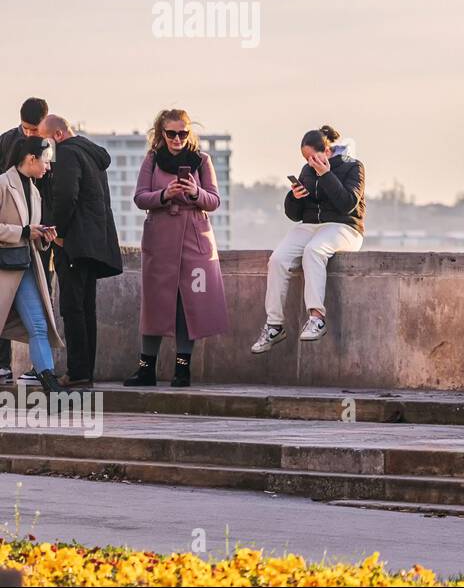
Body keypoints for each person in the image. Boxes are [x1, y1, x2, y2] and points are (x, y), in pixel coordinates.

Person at [126, 109, 229, 387]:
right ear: (162, 133)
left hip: (195, 240)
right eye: (171, 133)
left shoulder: (201, 160)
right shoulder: (151, 159)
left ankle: (182, 369)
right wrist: (164, 195)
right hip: (160, 239)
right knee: (156, 302)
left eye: (182, 133)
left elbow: (214, 200)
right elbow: (139, 197)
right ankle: (145, 369)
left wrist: (195, 192)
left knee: (190, 304)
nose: (177, 139)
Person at [251, 125, 365, 352]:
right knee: (278, 259)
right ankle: (274, 325)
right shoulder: (307, 170)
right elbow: (294, 215)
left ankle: (316, 317)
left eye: (313, 156)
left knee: (314, 251)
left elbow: (347, 203)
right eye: (306, 158)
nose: (310, 162)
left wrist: (326, 175)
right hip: (310, 226)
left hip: (345, 226)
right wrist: (293, 197)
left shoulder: (354, 166)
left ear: (328, 150)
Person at [39, 115, 124, 386]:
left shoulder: (66, 154)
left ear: (59, 134)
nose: (44, 148)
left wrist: (58, 233)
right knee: (86, 307)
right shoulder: (90, 153)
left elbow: (66, 196)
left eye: (46, 140)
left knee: (72, 308)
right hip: (93, 243)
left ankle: (78, 372)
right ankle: (85, 371)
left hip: (74, 243)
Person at [0, 137, 66, 393]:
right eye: (46, 161)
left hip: (24, 265)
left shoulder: (34, 191)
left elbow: (31, 236)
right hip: (5, 268)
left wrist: (43, 238)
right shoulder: (4, 184)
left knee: (38, 325)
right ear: (31, 158)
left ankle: (50, 385)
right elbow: (23, 231)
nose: (48, 167)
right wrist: (26, 231)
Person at [0, 98, 50, 385]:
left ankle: (42, 372)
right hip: (10, 245)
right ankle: (4, 365)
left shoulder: (47, 147)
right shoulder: (7, 141)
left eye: (35, 130)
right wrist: (20, 231)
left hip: (30, 246)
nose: (31, 134)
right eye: (28, 129)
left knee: (38, 319)